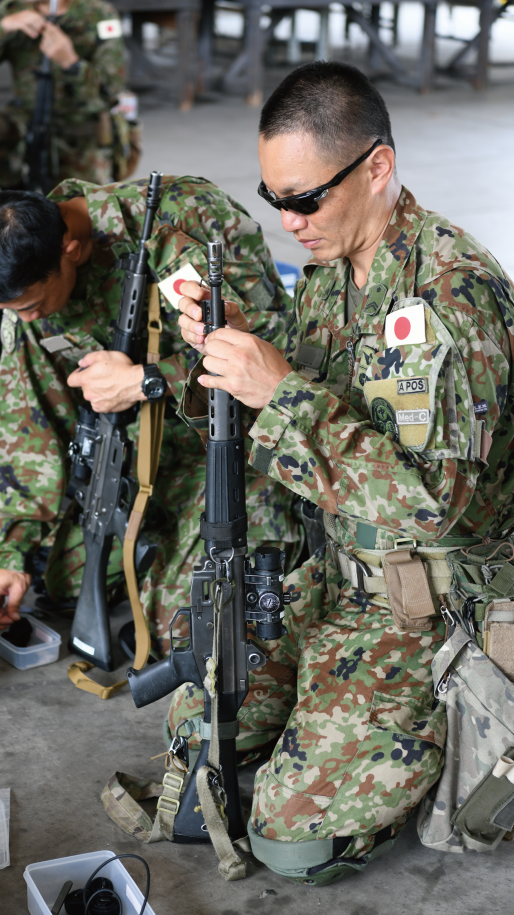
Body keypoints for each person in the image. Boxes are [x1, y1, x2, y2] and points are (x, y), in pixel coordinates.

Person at [173, 61, 514, 885]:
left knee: (290, 836)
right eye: (273, 198)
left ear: (377, 169)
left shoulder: (452, 296)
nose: (289, 220)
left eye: (305, 198)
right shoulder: (333, 273)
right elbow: (314, 415)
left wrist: (280, 391)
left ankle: (467, 728)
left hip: (430, 606)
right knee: (199, 724)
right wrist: (236, 351)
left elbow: (440, 510)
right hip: (333, 578)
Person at [0, 176, 303, 660]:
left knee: (189, 635)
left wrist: (145, 380)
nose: (28, 320)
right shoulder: (26, 278)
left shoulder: (182, 220)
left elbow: (273, 351)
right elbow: (25, 423)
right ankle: (158, 557)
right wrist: (9, 556)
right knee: (53, 580)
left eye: (32, 307)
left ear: (71, 251)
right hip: (128, 466)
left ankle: (260, 550)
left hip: (223, 453)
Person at [0, 0, 133, 190]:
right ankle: (15, 192)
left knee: (81, 210)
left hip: (80, 127)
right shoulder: (14, 8)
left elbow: (110, 91)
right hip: (27, 118)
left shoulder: (98, 14)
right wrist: (3, 27)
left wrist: (71, 63)